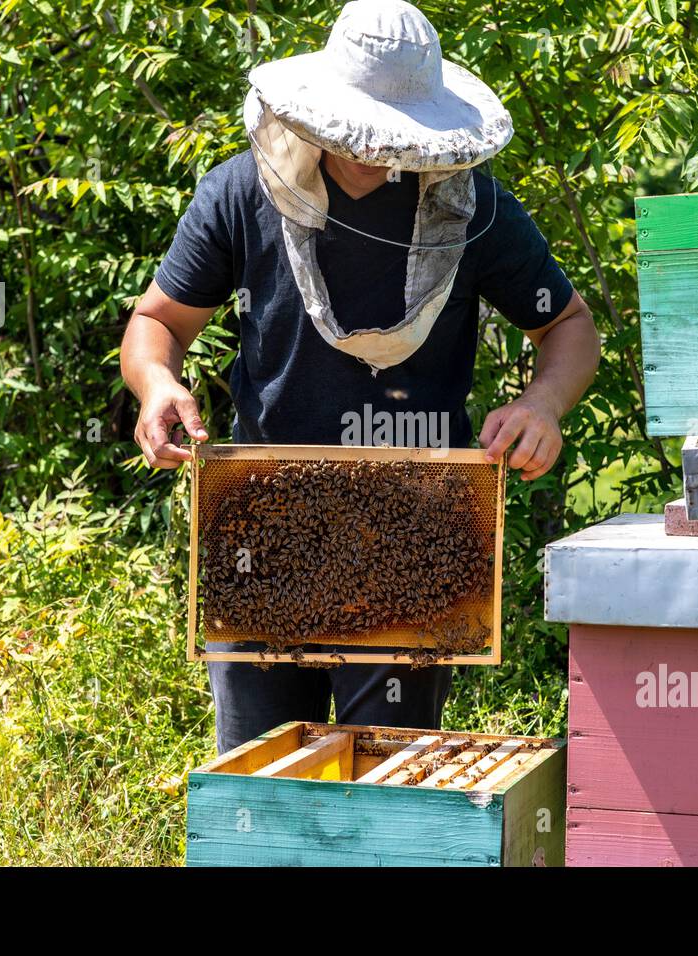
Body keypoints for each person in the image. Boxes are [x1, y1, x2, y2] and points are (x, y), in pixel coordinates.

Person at [120, 0, 599, 753]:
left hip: (417, 522)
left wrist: (543, 404)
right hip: (264, 525)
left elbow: (568, 326)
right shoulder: (241, 192)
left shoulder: (473, 207)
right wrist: (156, 385)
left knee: (392, 780)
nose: (376, 152)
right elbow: (158, 323)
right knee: (262, 774)